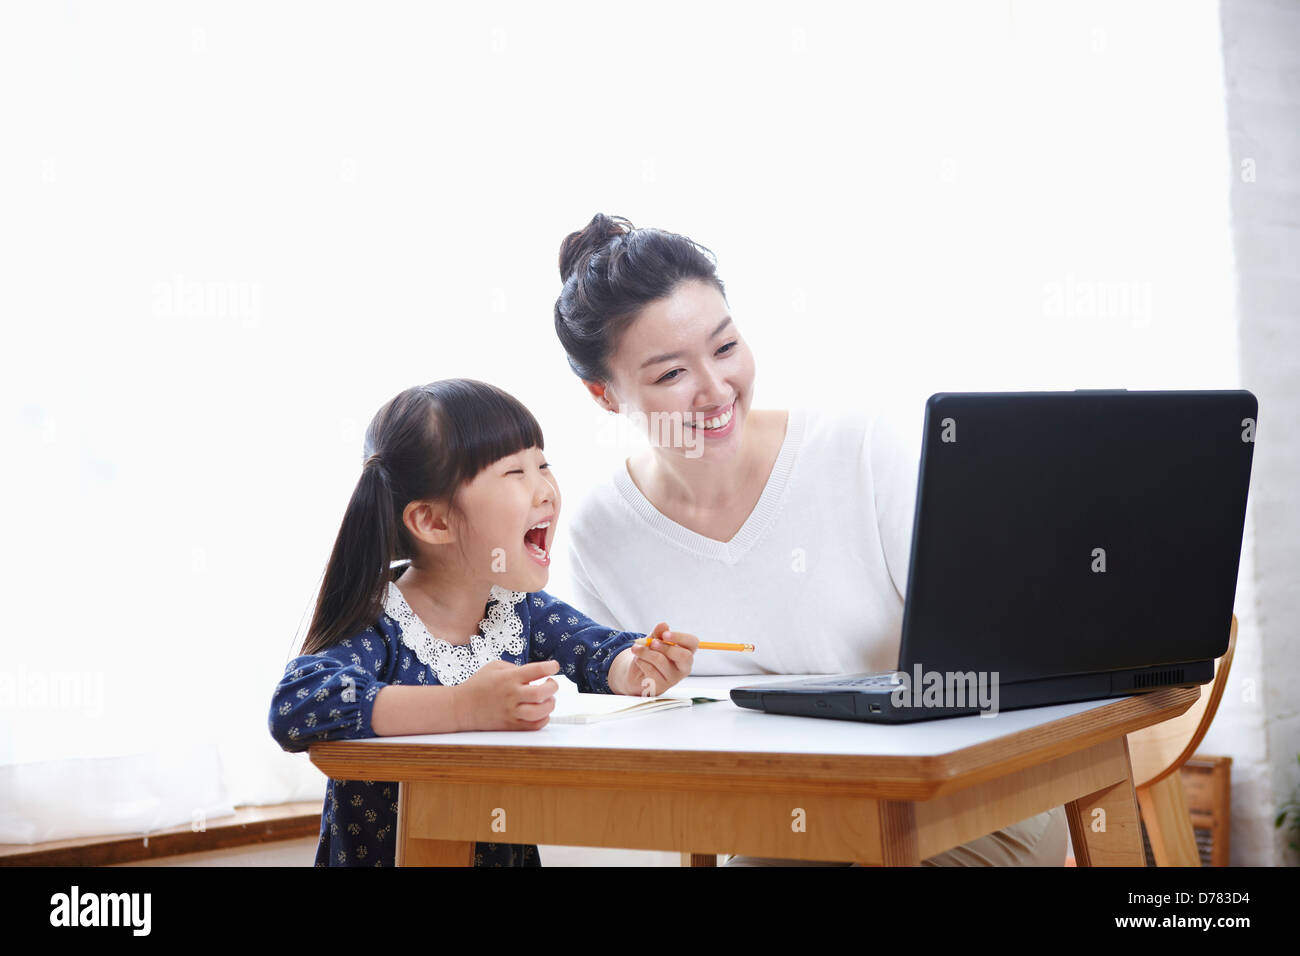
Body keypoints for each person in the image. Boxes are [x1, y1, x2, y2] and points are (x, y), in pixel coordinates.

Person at [552, 214, 1068, 866]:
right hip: (785, 824)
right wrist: (634, 681)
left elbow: (999, 650)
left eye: (725, 347)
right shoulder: (603, 532)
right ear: (603, 395)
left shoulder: (858, 448)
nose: (715, 391)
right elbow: (625, 722)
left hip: (969, 795)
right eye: (670, 375)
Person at [268, 379, 698, 867]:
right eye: (515, 471)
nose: (545, 490)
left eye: (543, 464)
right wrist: (463, 706)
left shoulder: (516, 610)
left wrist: (638, 668)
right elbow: (297, 707)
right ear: (433, 522)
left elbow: (595, 651)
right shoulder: (380, 622)